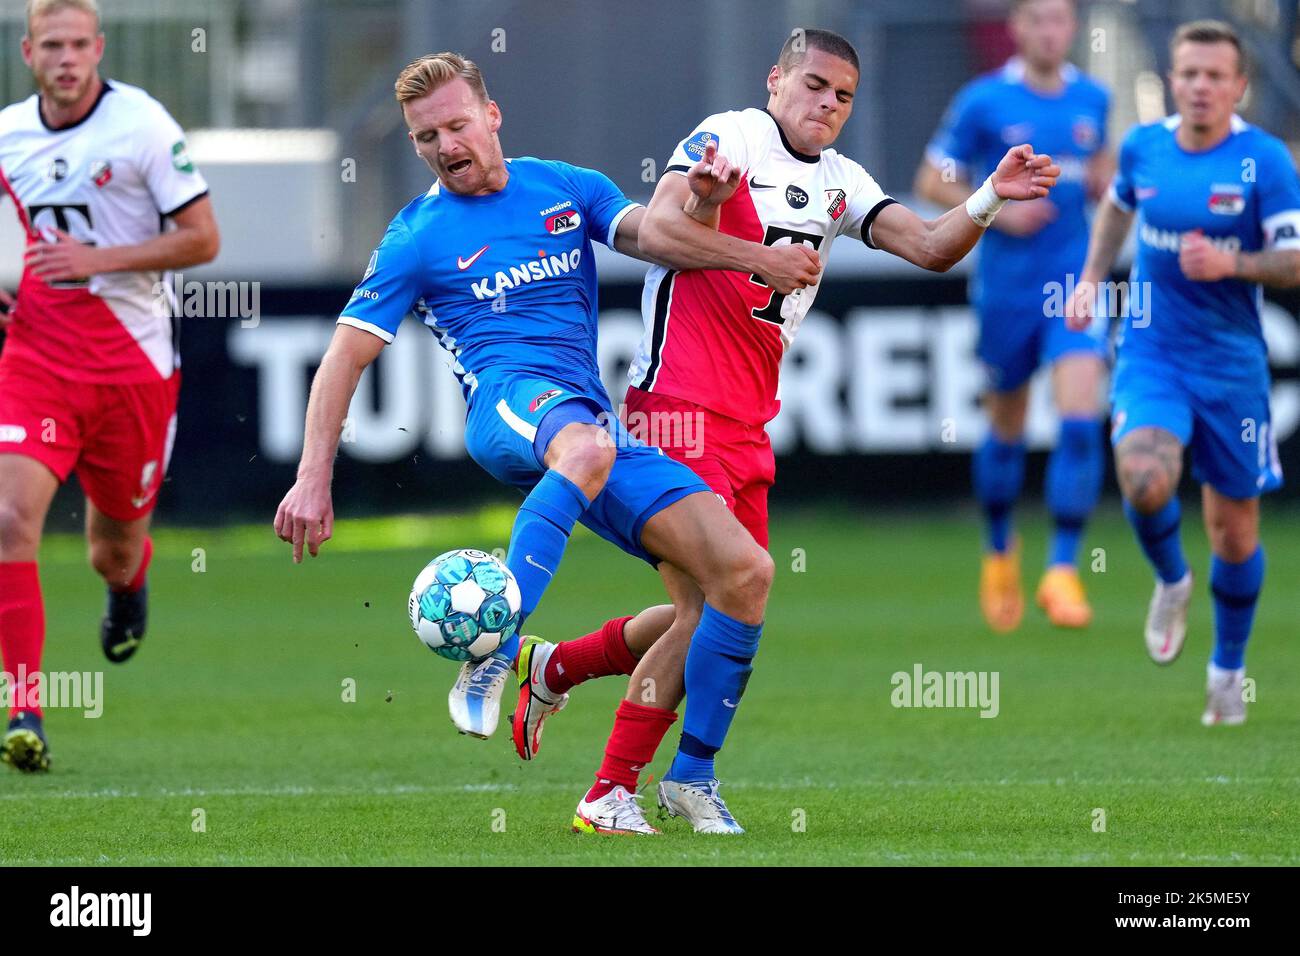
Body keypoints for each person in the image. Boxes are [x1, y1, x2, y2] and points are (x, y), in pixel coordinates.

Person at [516, 27, 1059, 834]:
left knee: (721, 605)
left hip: (746, 426)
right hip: (674, 411)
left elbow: (933, 246)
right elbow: (660, 228)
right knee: (723, 600)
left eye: (843, 95)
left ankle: (560, 668)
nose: (827, 104)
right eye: (814, 85)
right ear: (776, 80)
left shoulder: (841, 182)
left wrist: (985, 195)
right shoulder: (730, 134)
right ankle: (628, 788)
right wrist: (746, 246)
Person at [273, 51, 822, 835]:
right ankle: (496, 641)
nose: (445, 147)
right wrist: (312, 477)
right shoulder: (416, 236)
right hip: (510, 408)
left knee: (741, 576)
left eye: (457, 125)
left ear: (491, 117)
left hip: (588, 430)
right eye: (426, 138)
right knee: (588, 452)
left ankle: (637, 770)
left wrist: (703, 209)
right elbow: (343, 356)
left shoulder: (565, 187)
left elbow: (655, 238)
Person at [0, 0, 219, 772]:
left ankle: (131, 584)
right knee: (7, 520)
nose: (65, 58)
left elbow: (203, 237)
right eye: (50, 45)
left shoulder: (143, 126)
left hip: (132, 371)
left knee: (111, 551)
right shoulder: (8, 134)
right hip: (36, 364)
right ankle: (23, 706)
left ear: (98, 48)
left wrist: (98, 261)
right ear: (28, 52)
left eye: (78, 45)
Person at [1066, 20, 1300, 725]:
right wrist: (1091, 279)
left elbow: (1292, 260)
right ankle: (1172, 579)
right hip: (1152, 349)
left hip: (1231, 367)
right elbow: (1115, 213)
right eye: (1188, 73)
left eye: (1214, 75)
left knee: (1234, 531)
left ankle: (1227, 671)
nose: (1200, 86)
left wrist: (1234, 263)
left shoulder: (1267, 162)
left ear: (1239, 86)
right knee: (1142, 478)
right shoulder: (1145, 148)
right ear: (1173, 81)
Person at [915, 0, 1112, 632]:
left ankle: (1062, 569)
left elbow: (1103, 176)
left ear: (1072, 28)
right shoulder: (982, 101)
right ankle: (1000, 549)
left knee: (1081, 420)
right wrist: (997, 199)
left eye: (1060, 19)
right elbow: (930, 179)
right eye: (1038, 19)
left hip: (1073, 288)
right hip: (1006, 291)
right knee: (1007, 426)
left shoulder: (1095, 100)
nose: (1050, 30)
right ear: (1019, 28)